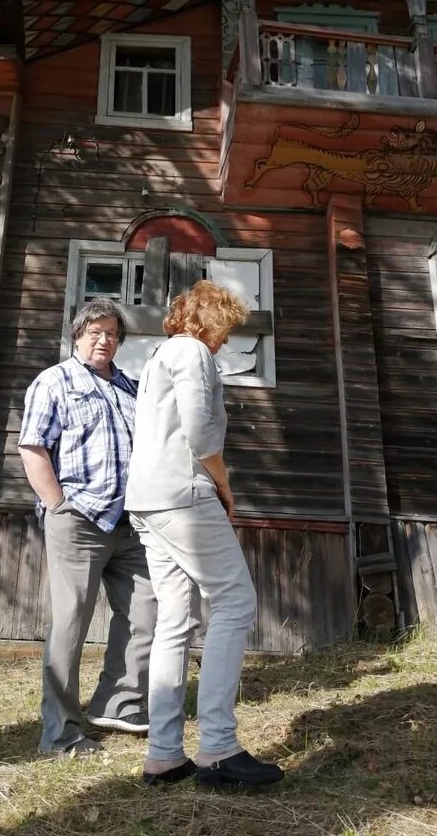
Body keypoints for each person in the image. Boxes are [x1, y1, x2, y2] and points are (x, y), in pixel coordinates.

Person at [125, 280, 284, 790]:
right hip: (182, 495)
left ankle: (164, 754)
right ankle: (218, 747)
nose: (225, 342)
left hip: (147, 498)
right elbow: (198, 429)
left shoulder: (156, 358)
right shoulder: (192, 351)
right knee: (235, 601)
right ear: (209, 321)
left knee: (175, 618)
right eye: (225, 329)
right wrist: (223, 481)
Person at [18, 298, 156, 754]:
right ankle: (60, 734)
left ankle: (119, 702)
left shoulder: (130, 388)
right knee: (71, 624)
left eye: (113, 334)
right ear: (77, 335)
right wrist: (57, 506)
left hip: (128, 522)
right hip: (77, 519)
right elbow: (33, 448)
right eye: (95, 332)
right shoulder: (54, 381)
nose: (105, 340)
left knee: (147, 612)